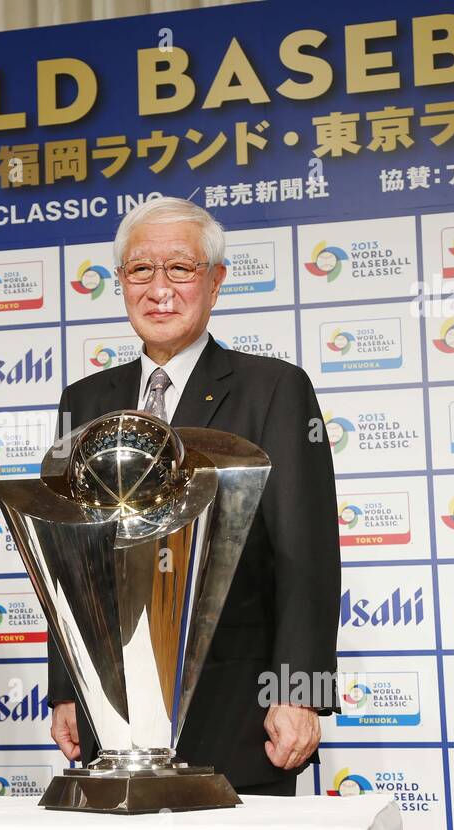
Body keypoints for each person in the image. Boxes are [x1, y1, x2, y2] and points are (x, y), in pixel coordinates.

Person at [48, 196, 340, 795]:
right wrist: (68, 690)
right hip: (115, 709)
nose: (160, 289)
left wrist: (298, 692)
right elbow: (67, 557)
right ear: (121, 282)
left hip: (238, 699)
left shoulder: (272, 388)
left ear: (215, 282)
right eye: (140, 270)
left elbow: (304, 550)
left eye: (180, 269)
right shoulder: (86, 400)